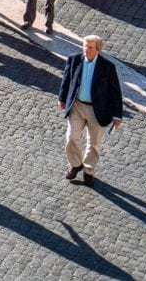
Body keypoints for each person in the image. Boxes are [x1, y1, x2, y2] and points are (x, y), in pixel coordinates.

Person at [59, 33, 125, 184]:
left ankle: (88, 170)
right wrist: (62, 98)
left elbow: (115, 91)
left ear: (98, 50)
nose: (86, 50)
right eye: (85, 46)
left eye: (90, 47)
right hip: (77, 105)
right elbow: (67, 79)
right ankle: (76, 165)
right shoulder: (74, 59)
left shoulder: (107, 67)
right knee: (71, 137)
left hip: (98, 109)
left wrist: (117, 115)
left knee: (93, 143)